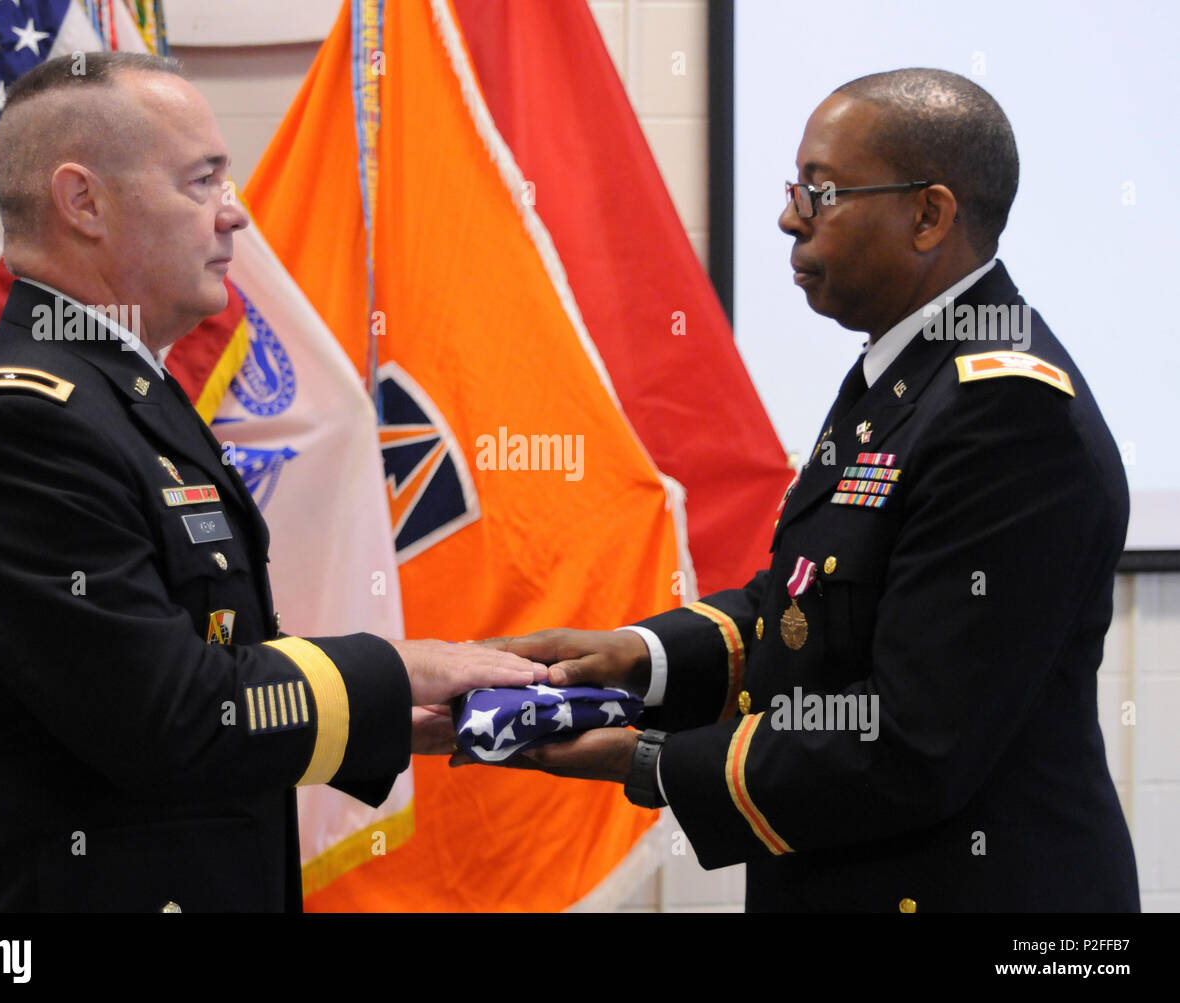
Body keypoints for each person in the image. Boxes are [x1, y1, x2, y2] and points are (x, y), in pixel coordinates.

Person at [471, 68, 1139, 912]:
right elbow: (804, 609)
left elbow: (910, 740)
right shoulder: (906, 376)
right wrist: (642, 658)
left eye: (821, 192)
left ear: (929, 215)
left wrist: (647, 761)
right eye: (797, 190)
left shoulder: (1006, 412)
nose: (791, 218)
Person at [0, 52, 539, 912]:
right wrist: (391, 671)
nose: (234, 213)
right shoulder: (19, 423)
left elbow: (197, 665)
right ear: (83, 202)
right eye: (202, 182)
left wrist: (379, 714)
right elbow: (162, 714)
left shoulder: (120, 391)